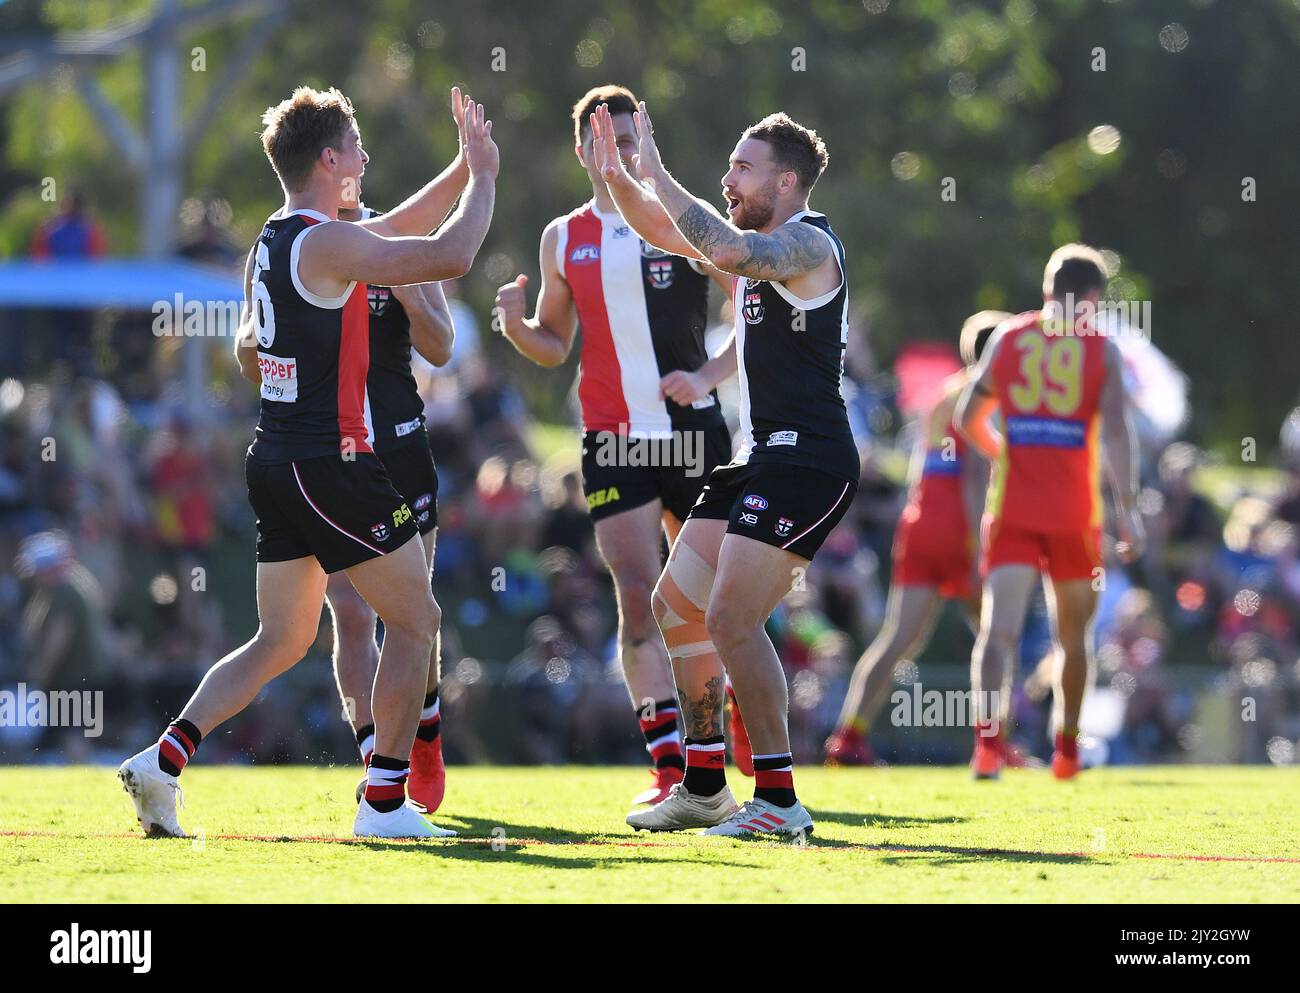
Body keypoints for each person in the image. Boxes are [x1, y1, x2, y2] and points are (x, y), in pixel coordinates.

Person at [118, 85, 497, 839]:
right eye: (354, 145)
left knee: (282, 640)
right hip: (332, 461)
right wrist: (485, 180)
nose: (364, 156)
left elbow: (393, 227)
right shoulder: (324, 242)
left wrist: (462, 167)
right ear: (329, 159)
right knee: (417, 619)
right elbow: (448, 252)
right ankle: (385, 803)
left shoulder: (281, 234)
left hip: (279, 460)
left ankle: (161, 761)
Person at [599, 101, 857, 837]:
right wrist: (618, 175)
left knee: (731, 617)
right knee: (673, 607)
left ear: (785, 181)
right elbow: (666, 228)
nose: (729, 176)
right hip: (758, 459)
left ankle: (777, 800)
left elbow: (737, 251)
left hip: (809, 460)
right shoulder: (754, 241)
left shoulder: (807, 245)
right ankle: (706, 782)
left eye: (743, 167)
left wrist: (654, 167)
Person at [492, 85, 737, 808]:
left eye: (629, 139)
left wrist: (708, 372)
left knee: (718, 603)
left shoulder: (680, 220)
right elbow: (553, 341)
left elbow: (751, 303)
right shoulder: (563, 236)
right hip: (614, 439)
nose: (618, 153)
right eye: (604, 141)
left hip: (694, 437)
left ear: (646, 139)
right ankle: (671, 762)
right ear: (581, 151)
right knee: (638, 597)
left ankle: (732, 736)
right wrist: (513, 325)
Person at [956, 244, 1144, 780]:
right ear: (1090, 297)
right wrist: (1128, 510)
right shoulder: (1100, 350)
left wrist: (1007, 453)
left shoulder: (1011, 337)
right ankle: (1066, 748)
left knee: (999, 631)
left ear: (1045, 288)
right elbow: (1116, 434)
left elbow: (971, 418)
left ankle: (988, 746)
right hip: (1074, 515)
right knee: (1073, 638)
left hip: (1013, 506)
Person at [823, 311, 1009, 765]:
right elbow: (976, 474)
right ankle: (994, 745)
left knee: (897, 638)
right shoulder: (983, 395)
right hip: (958, 528)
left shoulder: (943, 393)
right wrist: (977, 543)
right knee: (995, 637)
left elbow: (920, 468)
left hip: (921, 523)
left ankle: (848, 737)